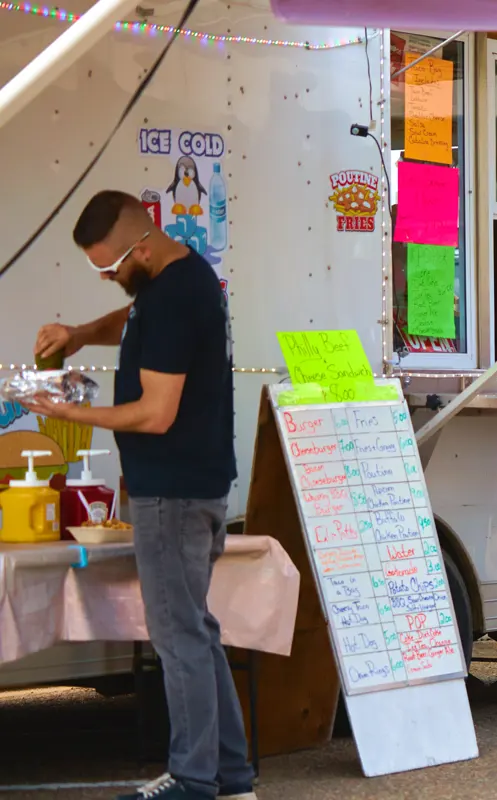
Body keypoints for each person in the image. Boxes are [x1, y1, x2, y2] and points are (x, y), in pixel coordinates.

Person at [25, 191, 253, 800]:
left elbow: (156, 414)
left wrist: (70, 410)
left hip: (174, 491)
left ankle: (193, 780)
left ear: (142, 247)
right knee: (196, 631)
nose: (106, 278)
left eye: (109, 267)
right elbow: (131, 321)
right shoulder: (173, 281)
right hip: (188, 484)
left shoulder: (177, 294)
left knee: (177, 634)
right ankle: (230, 776)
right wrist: (78, 335)